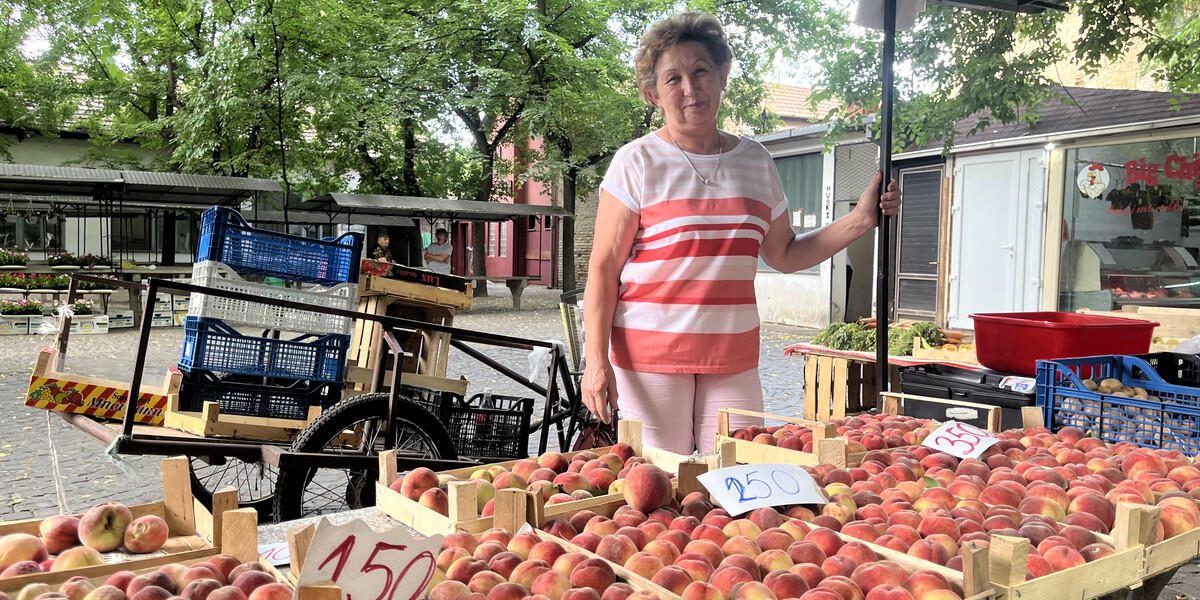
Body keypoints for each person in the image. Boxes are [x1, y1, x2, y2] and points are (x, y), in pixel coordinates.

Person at [581, 13, 901, 455]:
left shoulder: (756, 161)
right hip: (649, 358)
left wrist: (861, 221)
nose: (690, 88)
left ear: (722, 74)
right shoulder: (636, 162)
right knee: (660, 479)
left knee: (740, 473)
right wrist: (596, 363)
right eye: (673, 78)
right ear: (654, 94)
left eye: (700, 71)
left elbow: (785, 253)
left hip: (733, 355)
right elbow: (602, 270)